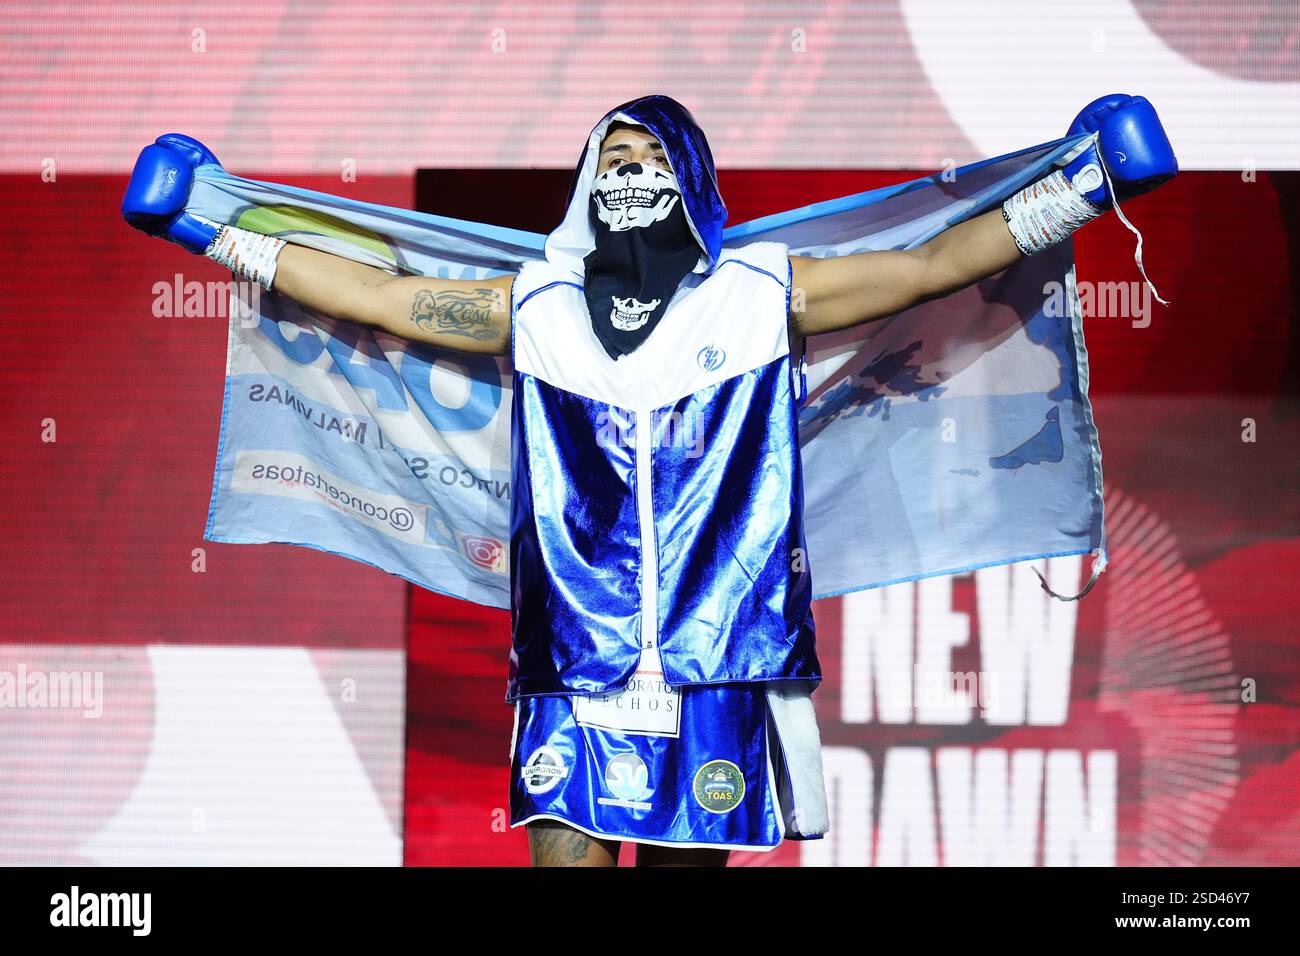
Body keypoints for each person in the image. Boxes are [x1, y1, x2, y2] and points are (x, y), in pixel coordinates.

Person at [122, 94, 1176, 867]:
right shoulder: (533, 306)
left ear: (688, 175)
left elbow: (934, 265)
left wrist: (1083, 188)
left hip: (718, 651)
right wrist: (212, 229)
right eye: (606, 157)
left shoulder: (762, 293)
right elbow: (382, 298)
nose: (624, 171)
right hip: (575, 653)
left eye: (645, 154)